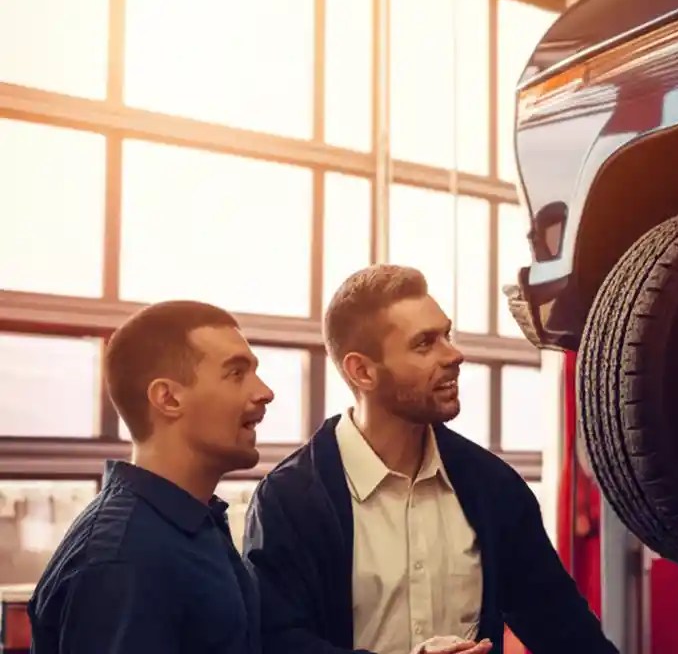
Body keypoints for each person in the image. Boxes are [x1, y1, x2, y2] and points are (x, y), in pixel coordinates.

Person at [242, 264, 617, 654]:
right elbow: (277, 642)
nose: (454, 355)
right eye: (424, 344)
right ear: (362, 371)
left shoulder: (494, 487)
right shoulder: (288, 500)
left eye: (447, 335)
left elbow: (563, 625)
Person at [28, 300, 274, 653]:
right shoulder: (125, 560)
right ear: (168, 398)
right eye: (237, 373)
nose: (264, 391)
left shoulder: (192, 524)